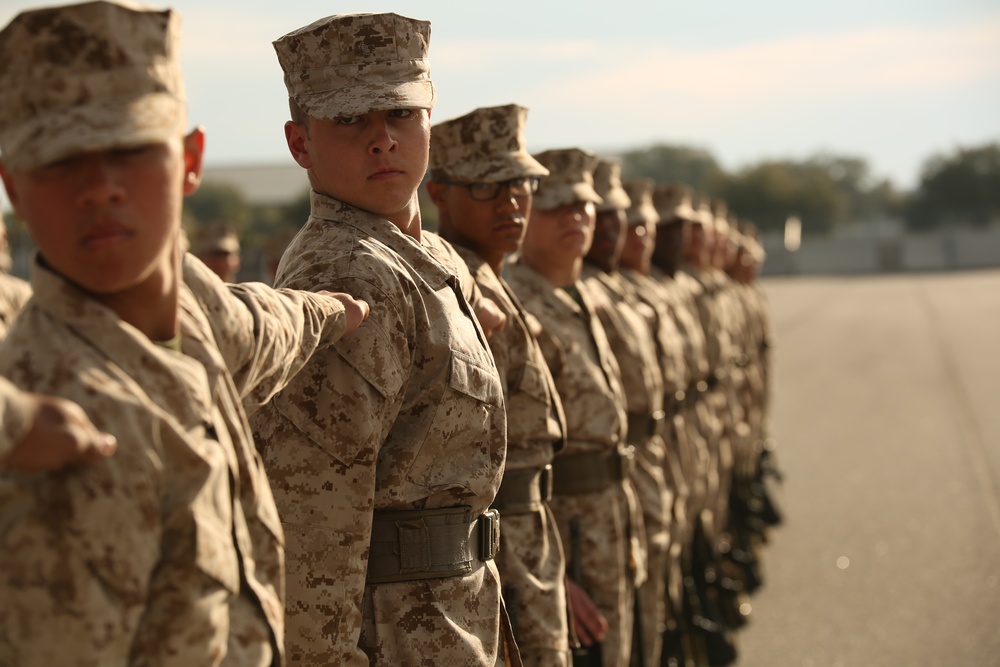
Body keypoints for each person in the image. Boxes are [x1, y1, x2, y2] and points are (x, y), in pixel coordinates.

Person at [0, 2, 369, 665]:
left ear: (190, 158)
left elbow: (265, 324)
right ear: (13, 189)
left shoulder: (194, 311)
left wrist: (337, 311)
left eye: (130, 148)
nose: (97, 188)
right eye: (59, 161)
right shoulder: (60, 431)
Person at [250, 13, 512, 666]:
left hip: (454, 612)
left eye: (399, 114)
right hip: (391, 633)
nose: (382, 141)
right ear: (300, 142)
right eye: (349, 120)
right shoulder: (343, 270)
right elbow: (312, 519)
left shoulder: (430, 259)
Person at [427, 103, 572, 667]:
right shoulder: (455, 292)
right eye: (487, 187)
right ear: (439, 192)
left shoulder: (490, 279)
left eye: (520, 184)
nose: (511, 202)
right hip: (495, 555)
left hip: (532, 541)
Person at [507, 147, 643, 667]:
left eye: (584, 207)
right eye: (557, 207)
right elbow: (499, 462)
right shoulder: (517, 304)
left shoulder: (580, 295)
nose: (577, 218)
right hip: (561, 530)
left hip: (608, 516)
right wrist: (552, 575)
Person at [582, 166, 670, 667]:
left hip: (636, 474)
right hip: (579, 514)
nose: (617, 230)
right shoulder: (536, 299)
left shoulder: (601, 294)